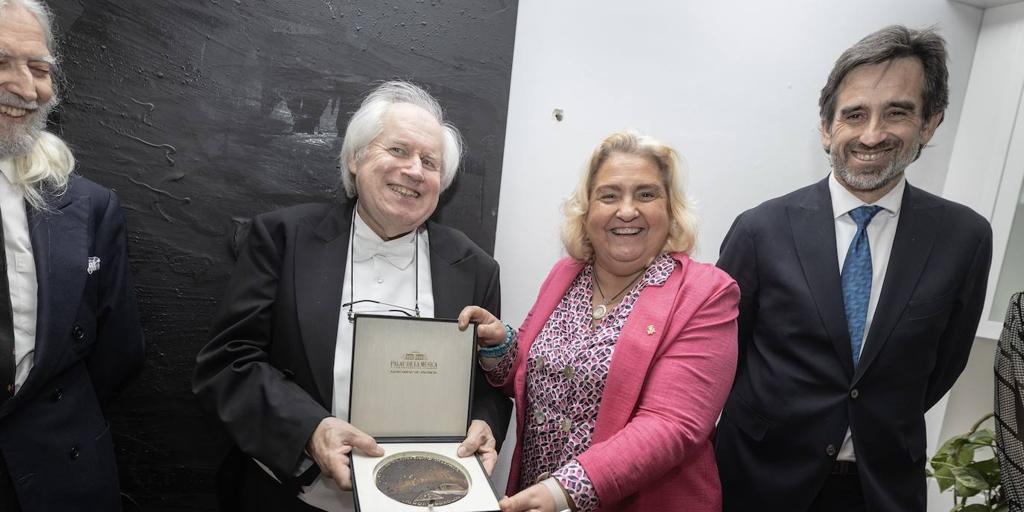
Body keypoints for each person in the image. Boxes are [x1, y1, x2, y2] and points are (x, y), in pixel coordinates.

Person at [192, 80, 512, 511]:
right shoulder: (284, 238)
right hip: (290, 494)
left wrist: (485, 422)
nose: (415, 170)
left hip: (422, 497)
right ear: (355, 159)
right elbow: (228, 363)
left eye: (430, 161)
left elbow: (489, 385)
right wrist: (311, 429)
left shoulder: (475, 268)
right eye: (398, 150)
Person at [714, 25, 993, 512]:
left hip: (880, 488)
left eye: (898, 113)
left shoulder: (965, 239)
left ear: (929, 124)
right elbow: (722, 361)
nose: (872, 134)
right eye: (855, 114)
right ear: (826, 127)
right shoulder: (760, 229)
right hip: (757, 480)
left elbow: (944, 364)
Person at [460, 131, 739, 512]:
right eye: (609, 195)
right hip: (533, 497)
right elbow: (530, 377)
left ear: (671, 210)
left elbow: (672, 424)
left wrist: (563, 492)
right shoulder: (566, 275)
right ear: (587, 210)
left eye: (646, 194)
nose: (627, 210)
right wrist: (498, 345)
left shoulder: (706, 292)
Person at [0, 0, 146, 510]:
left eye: (39, 68)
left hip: (64, 478)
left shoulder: (87, 204)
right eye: (1, 62)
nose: (25, 87)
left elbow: (118, 349)